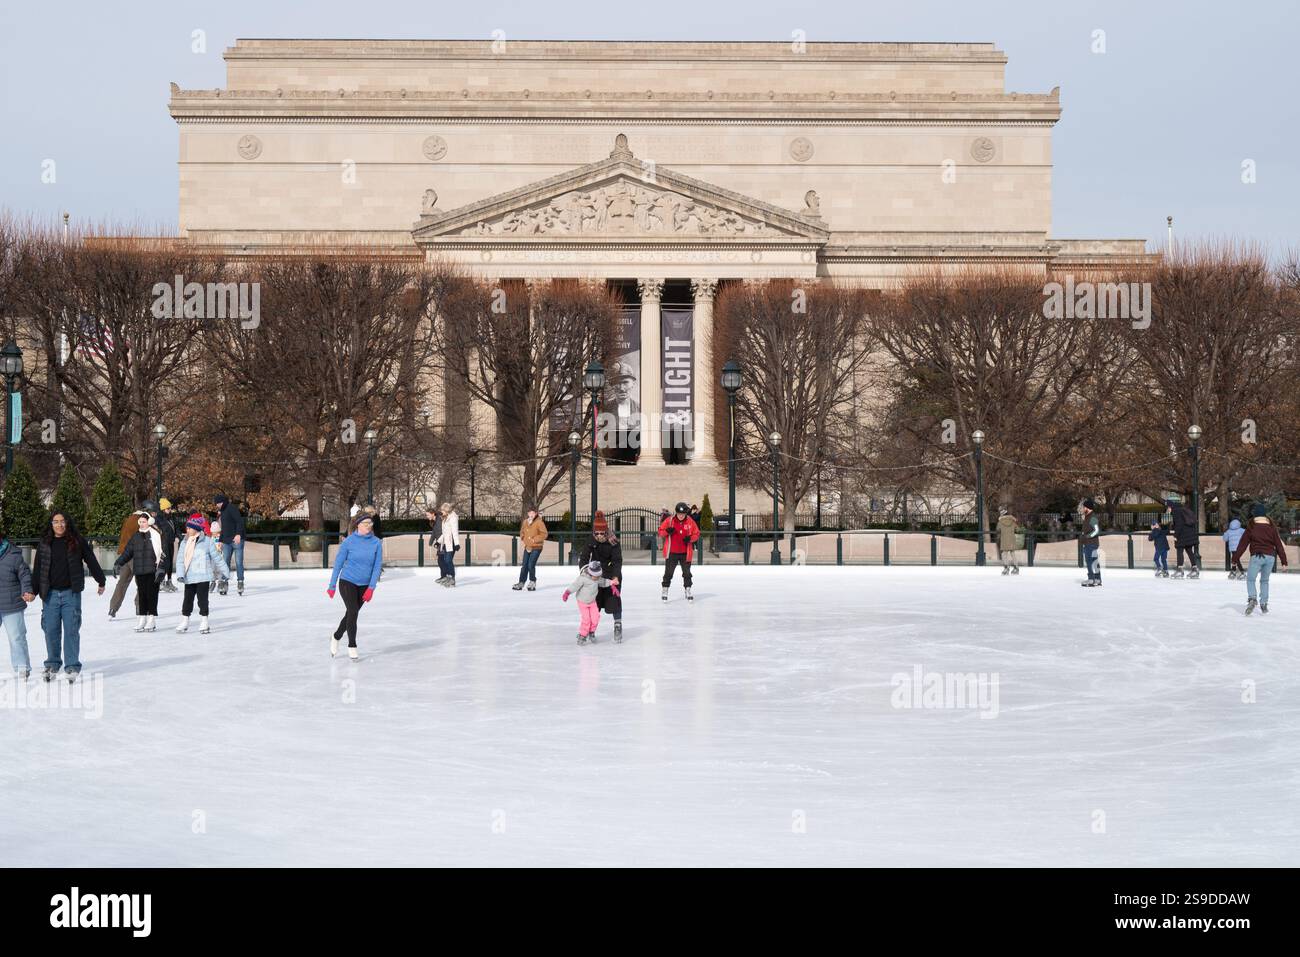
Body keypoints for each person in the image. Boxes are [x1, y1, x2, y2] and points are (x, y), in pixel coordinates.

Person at [32, 512, 107, 682]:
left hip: (70, 594)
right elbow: (38, 570)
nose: (59, 525)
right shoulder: (45, 543)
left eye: (62, 522)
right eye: (56, 522)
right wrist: (32, 590)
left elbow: (91, 560)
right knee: (50, 630)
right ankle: (52, 663)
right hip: (49, 595)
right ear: (51, 524)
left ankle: (72, 666)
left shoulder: (77, 541)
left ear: (67, 523)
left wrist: (100, 580)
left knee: (71, 630)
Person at [327, 511, 383, 659]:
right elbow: (338, 564)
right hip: (348, 582)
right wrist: (332, 585)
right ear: (358, 525)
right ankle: (352, 645)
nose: (369, 526)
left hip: (365, 585)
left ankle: (336, 636)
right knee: (353, 611)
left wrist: (371, 588)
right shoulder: (349, 542)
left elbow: (377, 566)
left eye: (371, 524)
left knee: (351, 614)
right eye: (366, 524)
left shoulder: (376, 542)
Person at [173, 513, 231, 634]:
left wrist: (226, 572)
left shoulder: (207, 542)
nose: (187, 530)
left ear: (196, 528)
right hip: (189, 577)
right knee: (187, 600)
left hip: (203, 576)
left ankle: (204, 620)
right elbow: (179, 560)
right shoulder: (184, 542)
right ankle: (185, 620)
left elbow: (217, 558)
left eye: (189, 528)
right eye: (187, 528)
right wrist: (180, 574)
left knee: (202, 600)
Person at [114, 511, 167, 632]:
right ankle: (142, 618)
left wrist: (161, 568)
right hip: (140, 571)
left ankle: (151, 619)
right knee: (142, 595)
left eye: (144, 522)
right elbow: (128, 552)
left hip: (153, 570)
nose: (142, 524)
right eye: (140, 522)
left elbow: (163, 553)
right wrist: (119, 563)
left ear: (149, 522)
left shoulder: (155, 535)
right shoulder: (136, 536)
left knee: (151, 595)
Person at [1232, 503, 1288, 615]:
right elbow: (1279, 545)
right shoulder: (1272, 528)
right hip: (1270, 557)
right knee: (1264, 580)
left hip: (1257, 556)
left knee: (1251, 579)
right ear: (1265, 516)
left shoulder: (1251, 527)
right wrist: (1284, 562)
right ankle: (1264, 603)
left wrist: (1235, 558)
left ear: (1255, 516)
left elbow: (1242, 545)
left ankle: (1252, 598)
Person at [580, 510, 624, 640]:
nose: (599, 536)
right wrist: (586, 572)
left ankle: (617, 624)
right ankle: (590, 629)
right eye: (596, 533)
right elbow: (584, 558)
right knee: (594, 603)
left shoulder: (613, 541)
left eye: (601, 533)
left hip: (611, 575)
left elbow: (617, 560)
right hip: (595, 575)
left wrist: (615, 576)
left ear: (606, 531)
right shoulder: (590, 539)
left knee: (613, 601)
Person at [0, 533, 35, 680]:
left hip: (11, 603)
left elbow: (25, 574)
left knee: (16, 637)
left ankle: (22, 668)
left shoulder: (13, 554)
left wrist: (27, 590)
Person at [562, 559, 620, 645]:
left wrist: (612, 583)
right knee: (586, 619)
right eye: (595, 576)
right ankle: (582, 635)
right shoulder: (583, 578)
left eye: (598, 576)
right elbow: (574, 585)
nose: (597, 578)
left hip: (592, 602)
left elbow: (603, 582)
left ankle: (591, 632)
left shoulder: (597, 578)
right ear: (590, 573)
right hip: (582, 602)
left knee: (596, 618)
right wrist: (567, 592)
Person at [108, 510, 147, 619]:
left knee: (122, 583)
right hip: (135, 555)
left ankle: (113, 608)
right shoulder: (142, 520)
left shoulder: (128, 519)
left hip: (124, 555)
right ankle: (139, 606)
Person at [658, 501, 700, 601]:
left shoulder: (690, 521)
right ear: (676, 513)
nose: (681, 516)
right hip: (672, 552)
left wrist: (690, 539)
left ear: (686, 513)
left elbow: (697, 533)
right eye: (679, 514)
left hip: (685, 553)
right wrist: (667, 531)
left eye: (683, 514)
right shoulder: (670, 520)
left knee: (687, 573)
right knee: (668, 573)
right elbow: (660, 532)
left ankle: (688, 590)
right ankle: (665, 590)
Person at [213, 493, 246, 595]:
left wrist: (238, 534)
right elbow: (224, 528)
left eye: (217, 503)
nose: (217, 506)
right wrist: (221, 540)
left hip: (236, 540)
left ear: (221, 502)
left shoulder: (232, 508)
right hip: (227, 541)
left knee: (238, 562)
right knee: (225, 562)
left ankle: (240, 582)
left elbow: (239, 522)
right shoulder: (222, 511)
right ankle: (225, 583)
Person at [514, 506, 548, 592]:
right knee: (524, 565)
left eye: (533, 513)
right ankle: (521, 582)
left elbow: (544, 534)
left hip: (537, 547)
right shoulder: (525, 522)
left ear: (535, 513)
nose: (531, 514)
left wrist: (534, 539)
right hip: (528, 547)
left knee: (530, 565)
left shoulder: (539, 522)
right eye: (530, 513)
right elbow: (522, 532)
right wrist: (523, 538)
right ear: (528, 513)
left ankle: (532, 581)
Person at [1168, 496, 1199, 579]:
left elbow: (1179, 524)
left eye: (1168, 508)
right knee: (1189, 550)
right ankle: (1195, 569)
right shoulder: (1182, 509)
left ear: (1170, 507)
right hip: (1190, 534)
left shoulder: (1176, 511)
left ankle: (1180, 570)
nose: (1168, 510)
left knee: (1179, 550)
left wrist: (1176, 535)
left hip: (1183, 534)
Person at [436, 502, 460, 587]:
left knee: (448, 560)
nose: (441, 512)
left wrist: (457, 543)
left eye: (443, 510)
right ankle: (448, 577)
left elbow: (455, 531)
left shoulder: (453, 518)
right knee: (445, 560)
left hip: (452, 542)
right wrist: (438, 541)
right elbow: (445, 533)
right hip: (446, 542)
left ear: (447, 510)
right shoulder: (445, 518)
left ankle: (452, 579)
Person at [1080, 498, 1102, 587]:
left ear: (1087, 507)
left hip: (1091, 544)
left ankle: (1091, 579)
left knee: (1089, 561)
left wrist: (1087, 536)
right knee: (1094, 561)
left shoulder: (1092, 517)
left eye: (1084, 507)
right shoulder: (1088, 517)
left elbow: (1096, 531)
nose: (1082, 509)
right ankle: (1097, 579)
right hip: (1090, 543)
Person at [996, 506, 1019, 575]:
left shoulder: (1000, 522)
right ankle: (1016, 568)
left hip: (1004, 540)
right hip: (1012, 540)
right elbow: (1017, 529)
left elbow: (998, 529)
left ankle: (1006, 568)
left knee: (1004, 554)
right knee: (1012, 553)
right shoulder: (1012, 521)